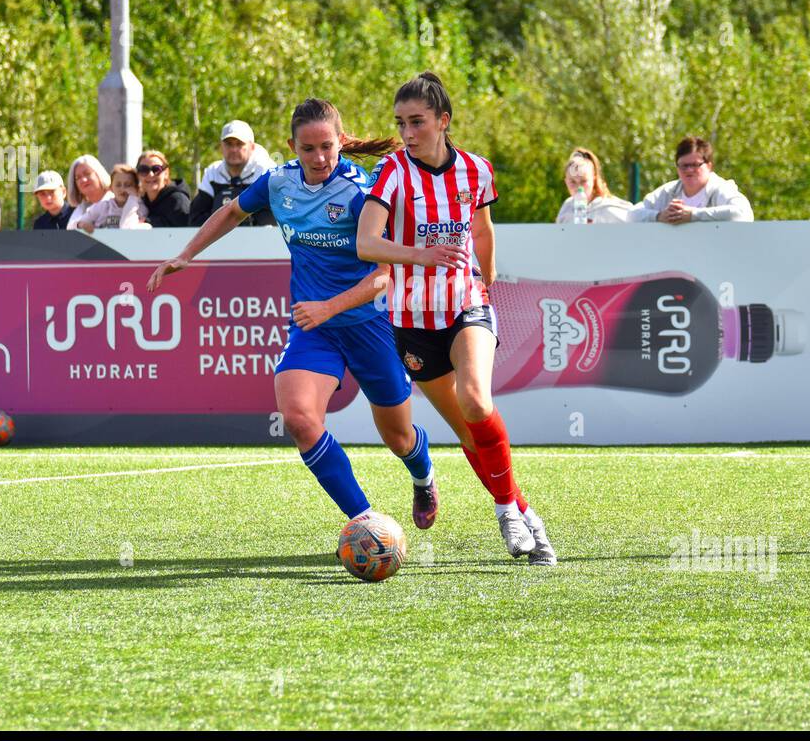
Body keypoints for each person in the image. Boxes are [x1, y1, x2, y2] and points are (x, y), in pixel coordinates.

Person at [147, 98, 438, 532]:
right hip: (312, 329)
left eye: (327, 147)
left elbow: (385, 276)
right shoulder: (278, 182)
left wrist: (329, 307)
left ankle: (423, 476)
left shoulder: (362, 193)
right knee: (300, 419)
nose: (319, 158)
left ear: (341, 141)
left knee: (398, 437)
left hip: (369, 324)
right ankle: (364, 520)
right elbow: (231, 212)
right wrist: (186, 254)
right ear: (291, 146)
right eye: (308, 149)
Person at [356, 71, 557, 565]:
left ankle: (506, 511)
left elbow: (483, 232)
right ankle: (526, 515)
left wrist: (485, 278)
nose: (407, 133)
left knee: (475, 399)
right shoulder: (392, 174)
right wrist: (418, 256)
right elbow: (366, 243)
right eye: (401, 123)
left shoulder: (476, 170)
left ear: (443, 121)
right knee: (469, 433)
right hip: (411, 323)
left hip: (467, 306)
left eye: (417, 122)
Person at [628, 137, 754, 223]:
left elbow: (743, 213)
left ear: (709, 166)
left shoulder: (720, 189)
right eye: (684, 165)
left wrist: (693, 215)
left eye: (695, 165)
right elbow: (632, 214)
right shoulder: (670, 191)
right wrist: (659, 216)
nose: (689, 170)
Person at [190, 120, 277, 227]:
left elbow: (273, 217)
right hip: (219, 240)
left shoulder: (266, 172)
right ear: (221, 146)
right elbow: (196, 218)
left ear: (252, 147)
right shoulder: (212, 173)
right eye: (229, 144)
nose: (234, 149)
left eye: (239, 144)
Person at [555, 147, 632, 223]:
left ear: (594, 179)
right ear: (566, 182)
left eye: (583, 181)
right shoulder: (567, 207)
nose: (579, 187)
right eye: (572, 182)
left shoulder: (608, 209)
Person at [77, 165, 150, 231]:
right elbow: (82, 222)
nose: (122, 188)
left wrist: (133, 199)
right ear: (111, 188)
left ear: (136, 189)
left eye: (128, 185)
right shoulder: (103, 206)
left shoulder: (140, 208)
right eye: (118, 185)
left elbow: (127, 228)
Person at [136, 150, 191, 227]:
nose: (151, 174)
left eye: (156, 169)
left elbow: (187, 231)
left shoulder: (177, 200)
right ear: (138, 175)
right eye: (144, 170)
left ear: (166, 173)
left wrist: (148, 222)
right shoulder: (139, 202)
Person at [65, 154, 112, 230]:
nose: (83, 180)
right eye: (78, 177)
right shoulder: (80, 209)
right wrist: (80, 225)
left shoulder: (115, 201)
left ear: (99, 174)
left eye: (87, 174)